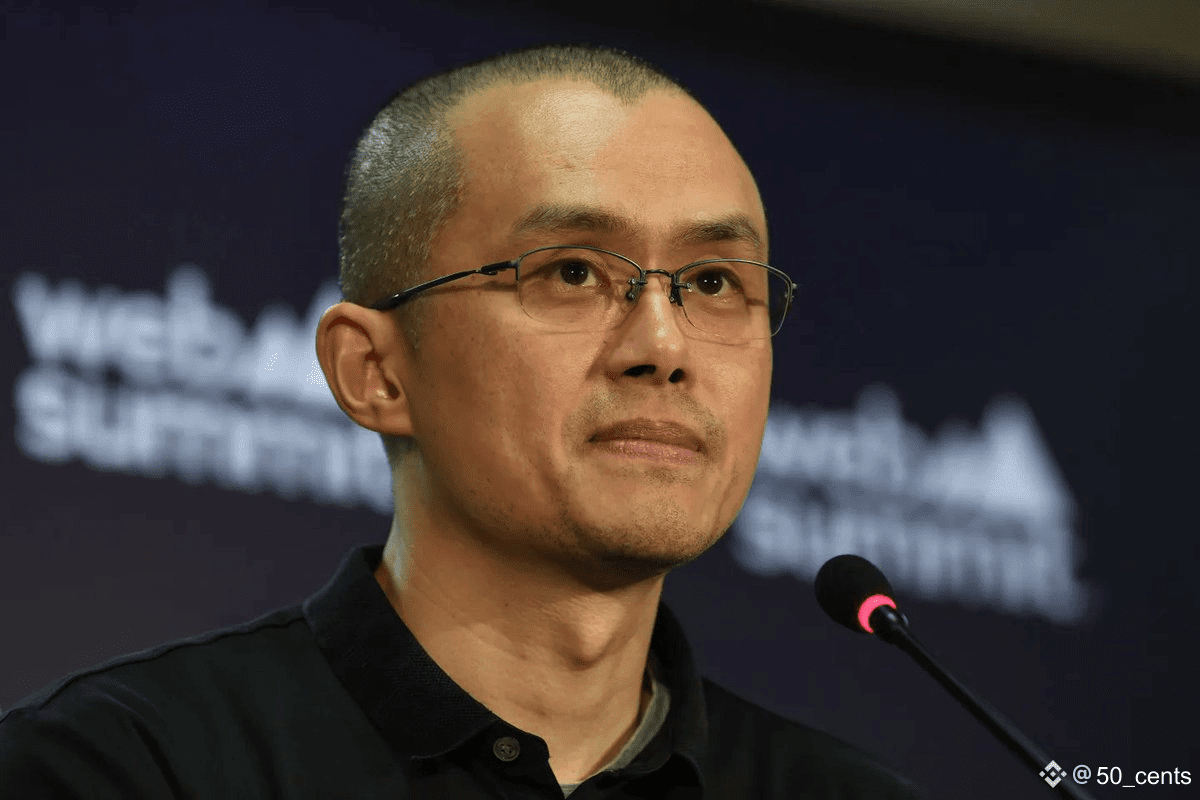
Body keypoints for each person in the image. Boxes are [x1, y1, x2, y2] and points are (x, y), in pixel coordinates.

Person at [0, 44, 927, 799]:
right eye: (572, 272)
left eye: (715, 282)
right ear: (374, 371)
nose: (663, 344)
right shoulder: (123, 769)